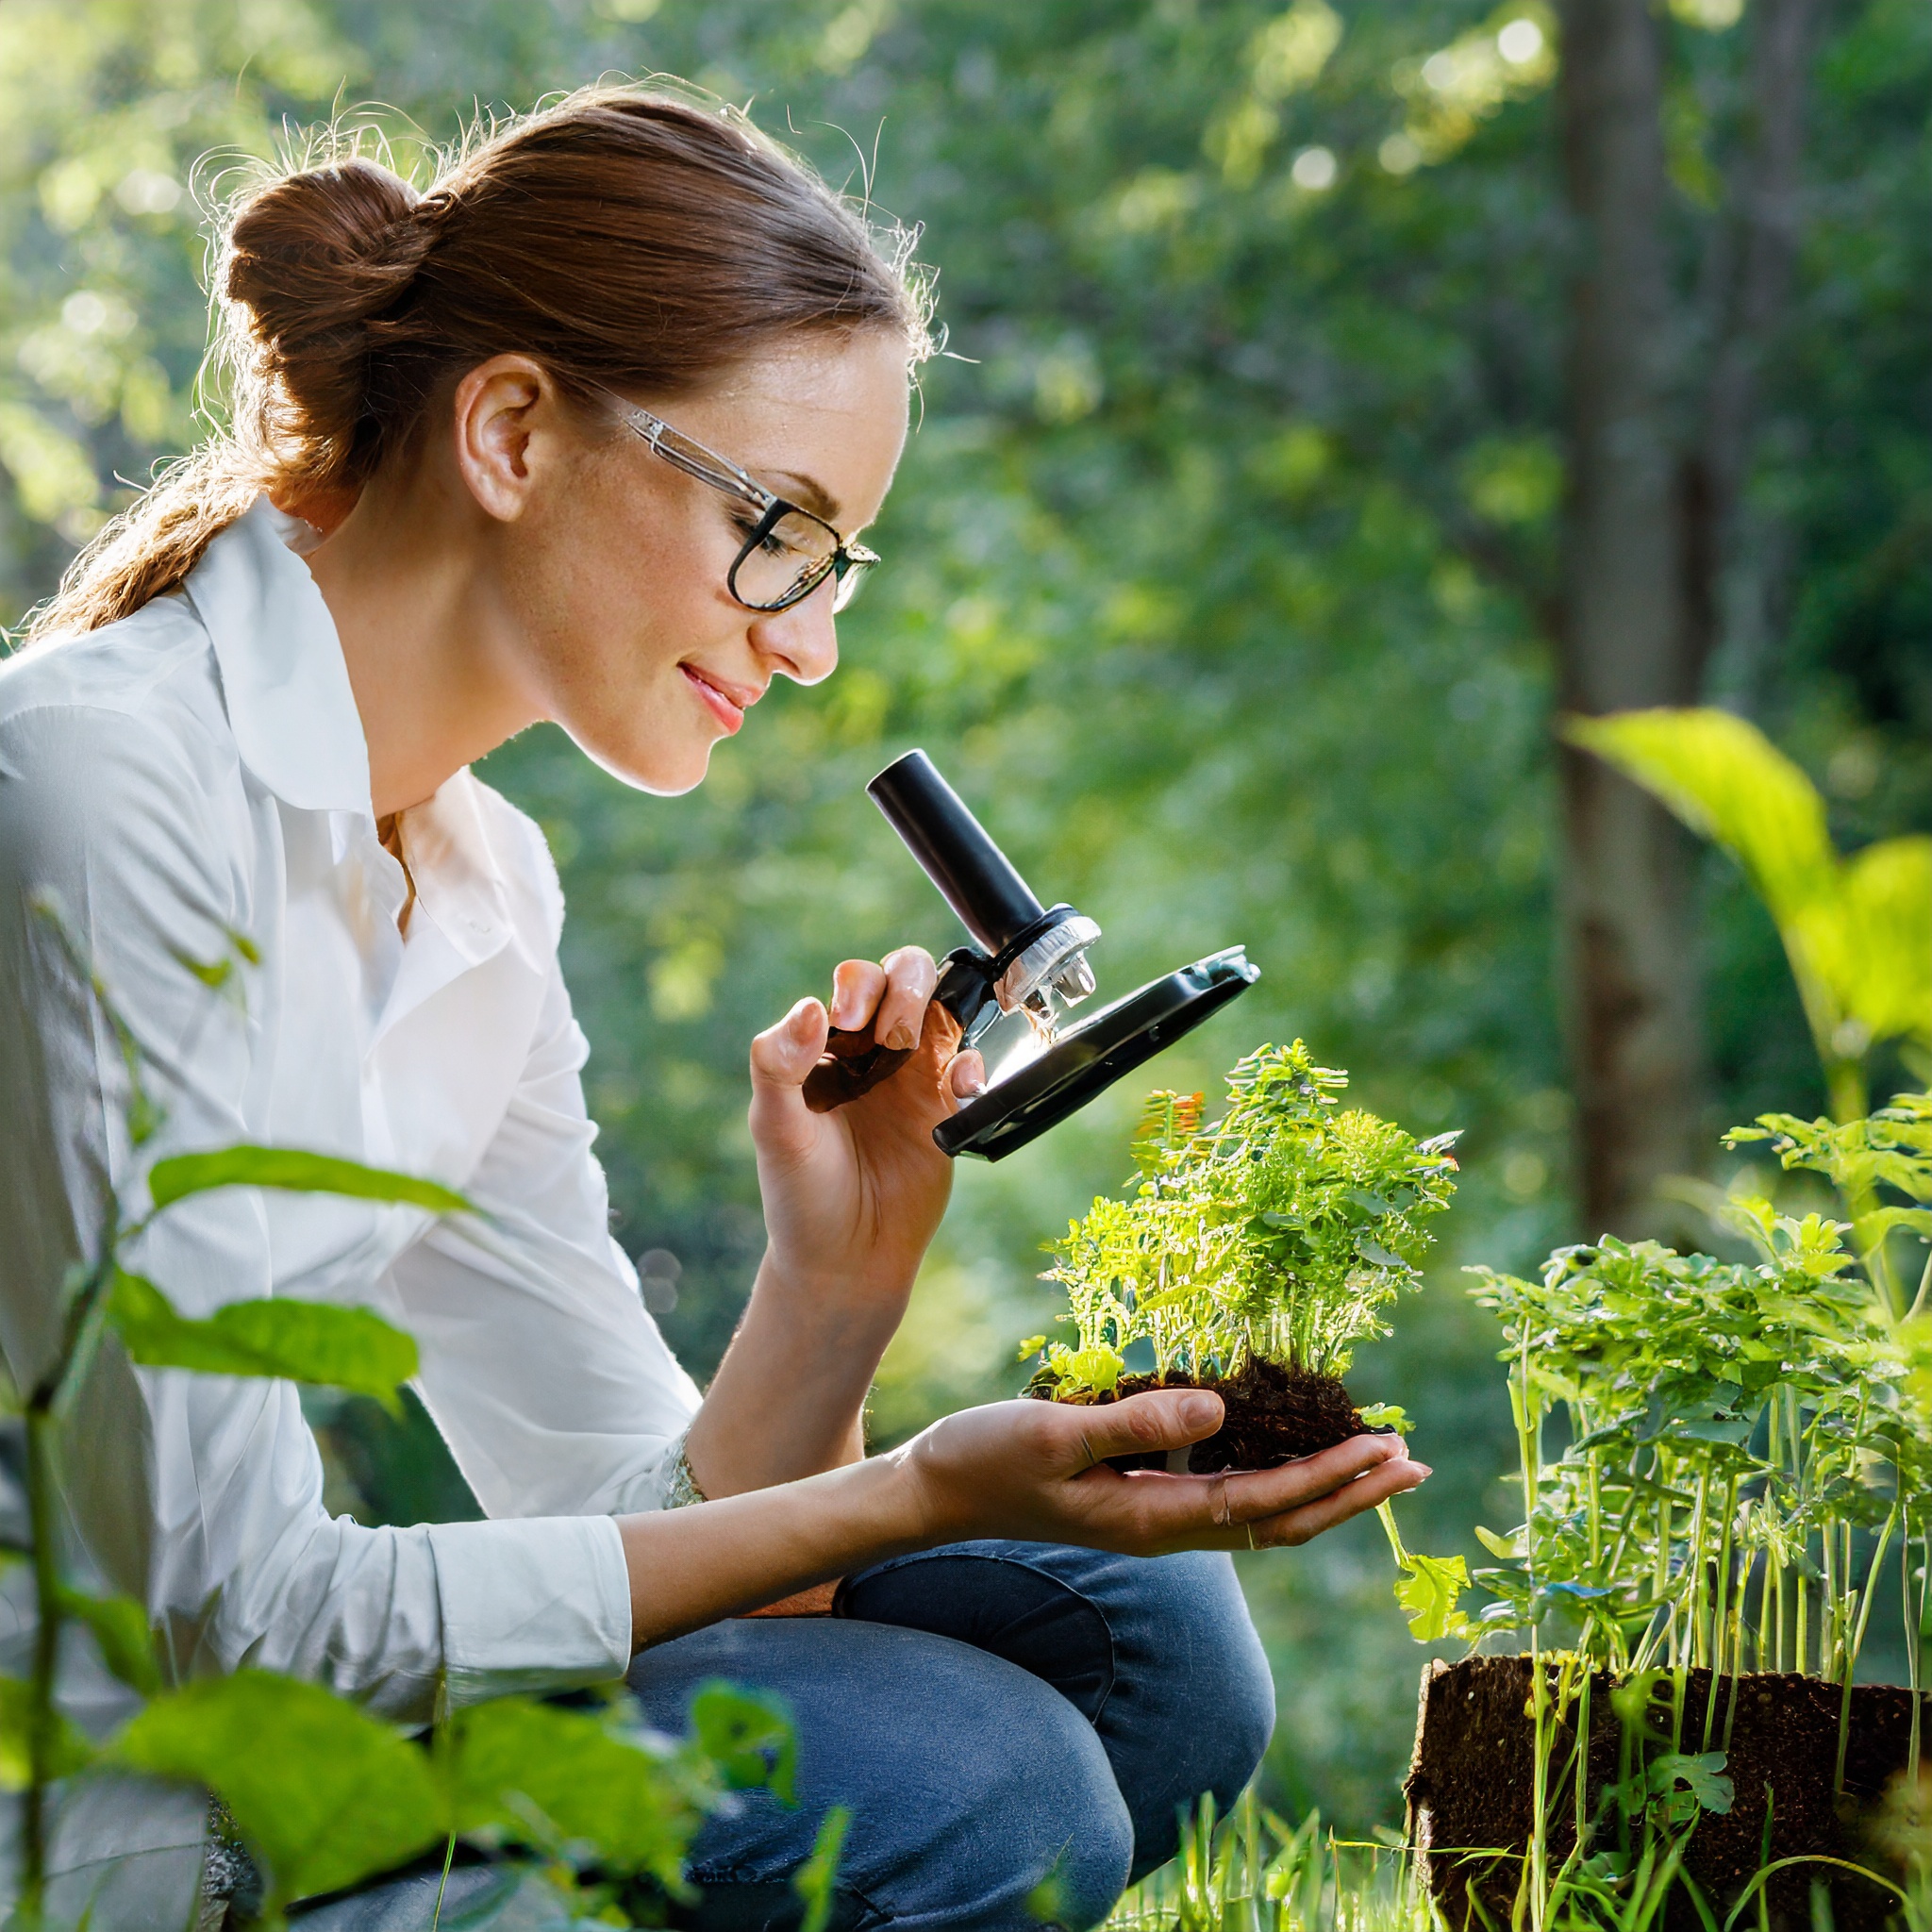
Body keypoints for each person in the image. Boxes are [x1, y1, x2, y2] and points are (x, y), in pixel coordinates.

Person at [0, 87, 1426, 1930]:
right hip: (104, 1830)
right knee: (966, 1780)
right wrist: (902, 1494)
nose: (812, 637)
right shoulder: (103, 796)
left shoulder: (482, 885)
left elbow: (626, 1518)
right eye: (779, 527)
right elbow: (242, 1620)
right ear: (512, 429)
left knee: (1149, 1637)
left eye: (840, 563)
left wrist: (833, 1287)